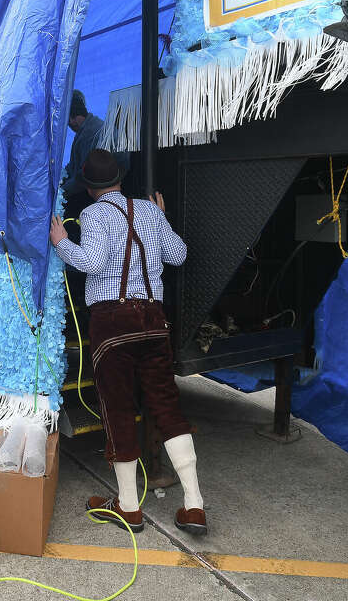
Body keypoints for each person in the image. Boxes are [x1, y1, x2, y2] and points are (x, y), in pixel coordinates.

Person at [49, 149, 207, 536]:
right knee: (166, 405)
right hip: (153, 318)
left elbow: (92, 262)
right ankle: (194, 505)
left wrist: (61, 241)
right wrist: (162, 219)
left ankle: (128, 506)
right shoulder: (150, 210)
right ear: (120, 179)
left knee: (117, 408)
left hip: (113, 321)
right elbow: (178, 254)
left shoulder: (93, 213)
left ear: (89, 188)